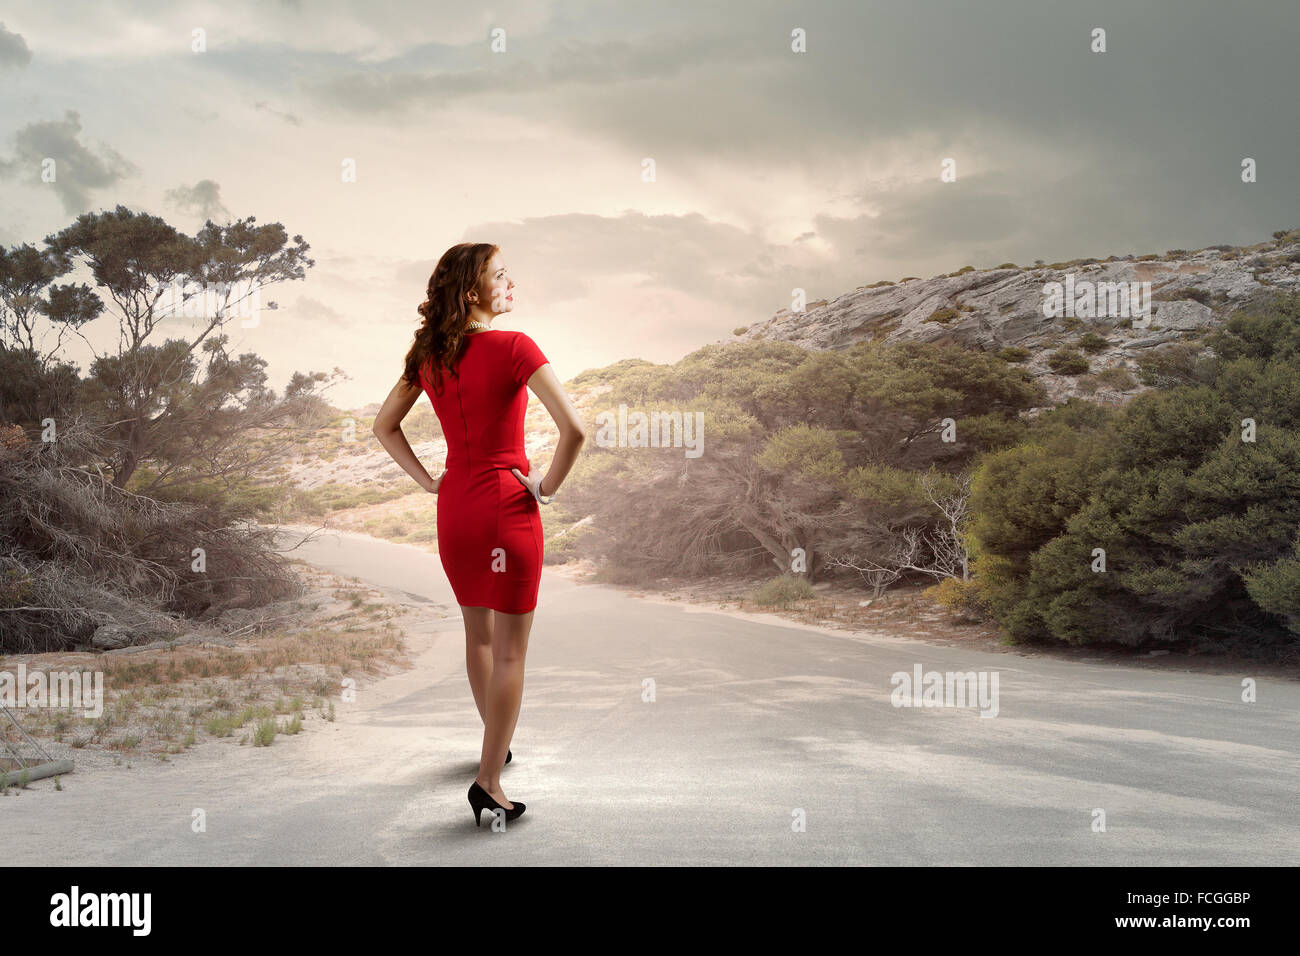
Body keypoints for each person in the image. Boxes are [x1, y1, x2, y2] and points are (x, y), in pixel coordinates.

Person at [371, 243, 585, 828]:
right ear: (473, 291)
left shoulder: (429, 352)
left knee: (479, 634)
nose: (510, 281)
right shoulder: (516, 346)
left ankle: (495, 742)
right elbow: (576, 430)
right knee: (512, 648)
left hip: (457, 506)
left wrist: (427, 483)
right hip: (506, 504)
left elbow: (382, 427)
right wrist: (546, 487)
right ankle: (489, 782)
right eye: (500, 274)